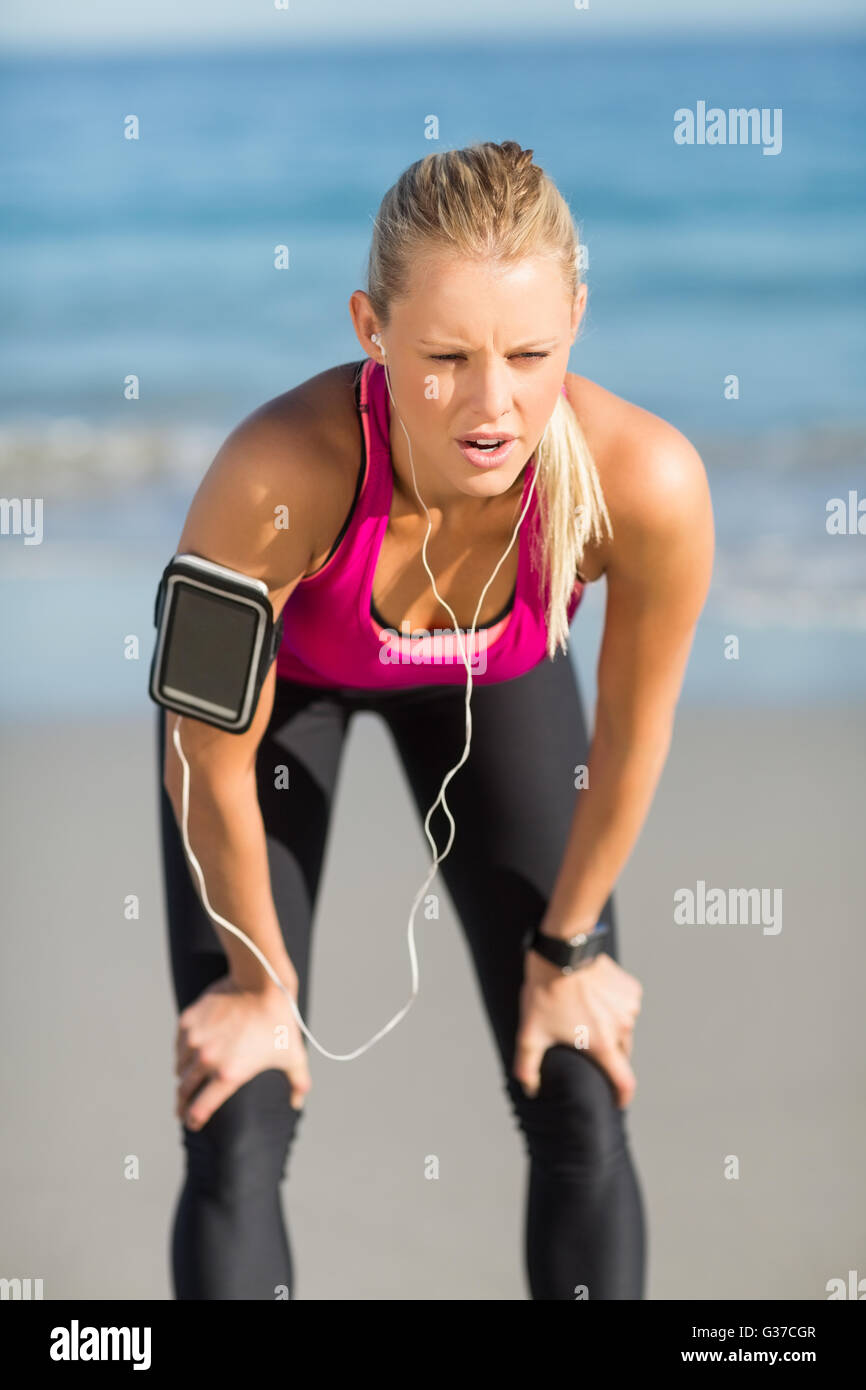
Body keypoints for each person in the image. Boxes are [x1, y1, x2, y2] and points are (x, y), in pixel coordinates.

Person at [156, 139, 714, 1300]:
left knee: (576, 1072)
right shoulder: (268, 477)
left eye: (530, 354)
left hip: (492, 681)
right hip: (282, 703)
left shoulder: (645, 483)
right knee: (240, 1102)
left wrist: (567, 953)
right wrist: (259, 990)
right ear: (371, 328)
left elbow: (630, 739)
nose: (490, 404)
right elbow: (204, 762)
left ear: (576, 318)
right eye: (445, 358)